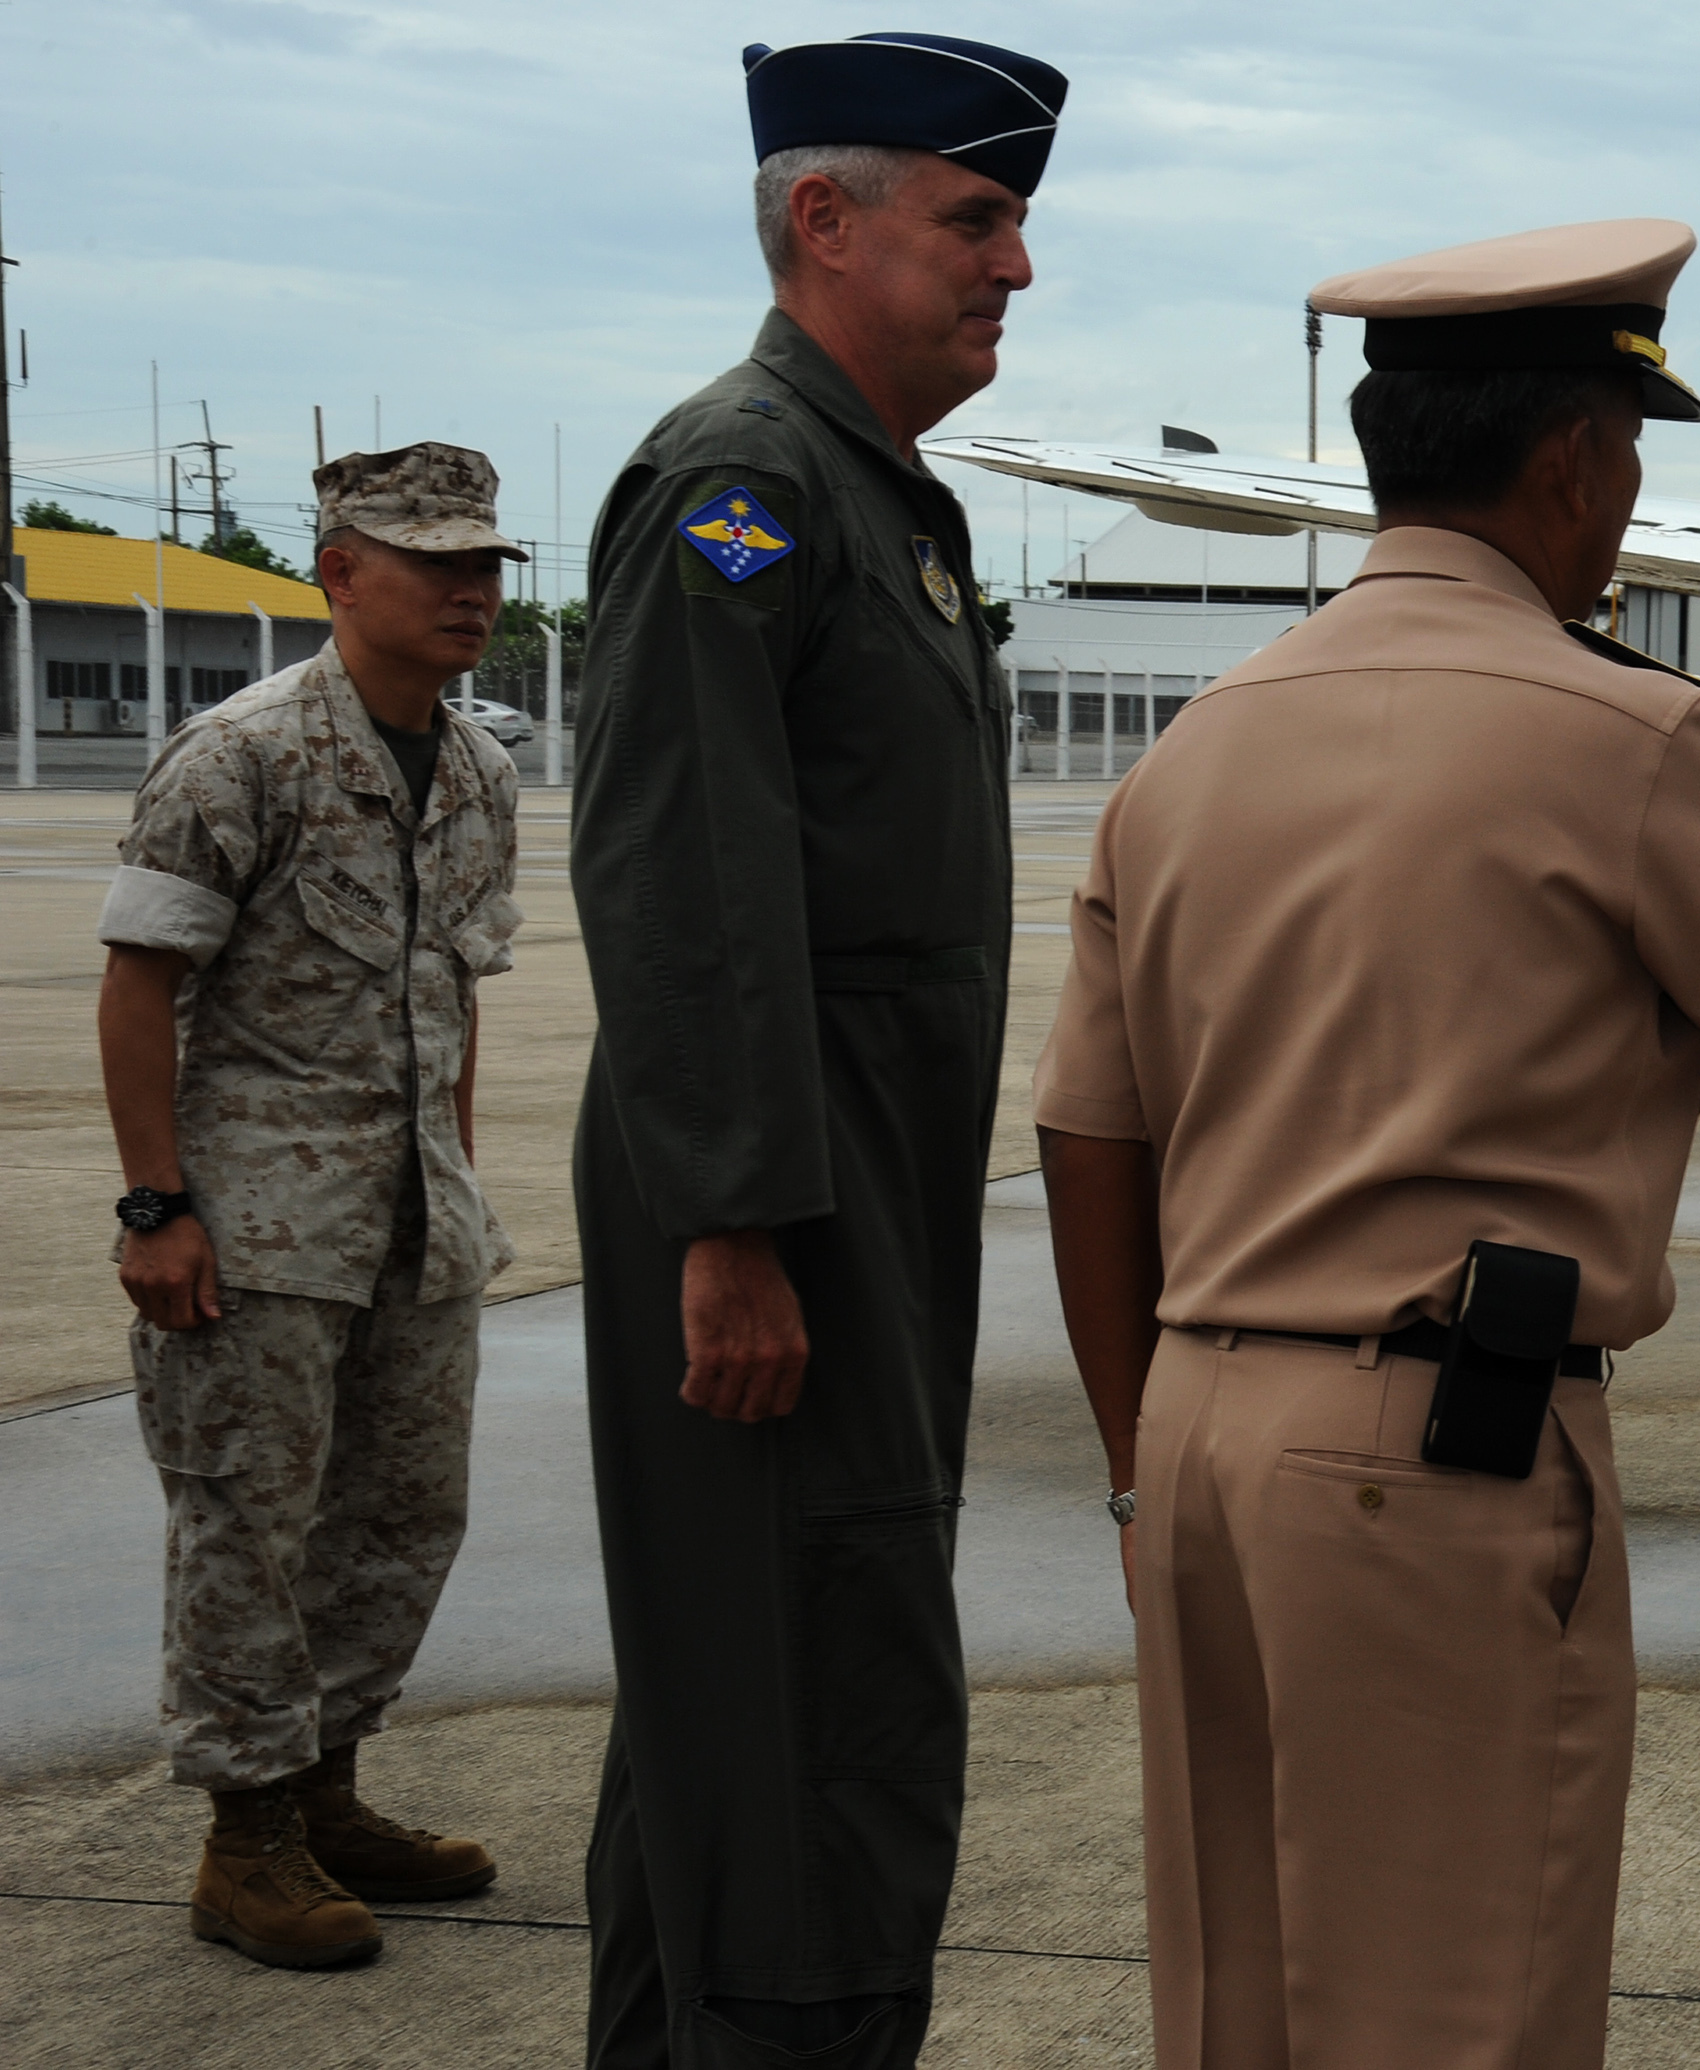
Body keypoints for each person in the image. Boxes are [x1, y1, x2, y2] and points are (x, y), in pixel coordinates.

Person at [1033, 218, 1700, 2070]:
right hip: (1438, 1449)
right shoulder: (1625, 736)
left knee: (1233, 1996)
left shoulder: (1194, 747)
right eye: (1630, 461)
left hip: (1196, 1437)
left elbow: (1090, 1141)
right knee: (1458, 2000)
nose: (1630, 508)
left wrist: (1132, 1466)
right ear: (1574, 456)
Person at [566, 31, 1059, 2069]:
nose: (1016, 266)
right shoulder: (746, 486)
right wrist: (739, 1225)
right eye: (977, 219)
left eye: (1018, 221)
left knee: (737, 1687)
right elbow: (683, 876)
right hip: (783, 1197)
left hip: (849, 1178)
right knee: (814, 1694)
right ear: (822, 220)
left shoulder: (871, 498)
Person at [96, 442, 524, 1969]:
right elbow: (141, 981)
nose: (471, 591)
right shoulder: (242, 752)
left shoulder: (480, 767)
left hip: (416, 1225)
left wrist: (460, 1190)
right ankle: (246, 1837)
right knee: (247, 1527)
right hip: (259, 1227)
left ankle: (331, 1790)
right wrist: (157, 1205)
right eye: (436, 563)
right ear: (341, 572)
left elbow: (455, 1001)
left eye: (485, 564)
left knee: (404, 1517)